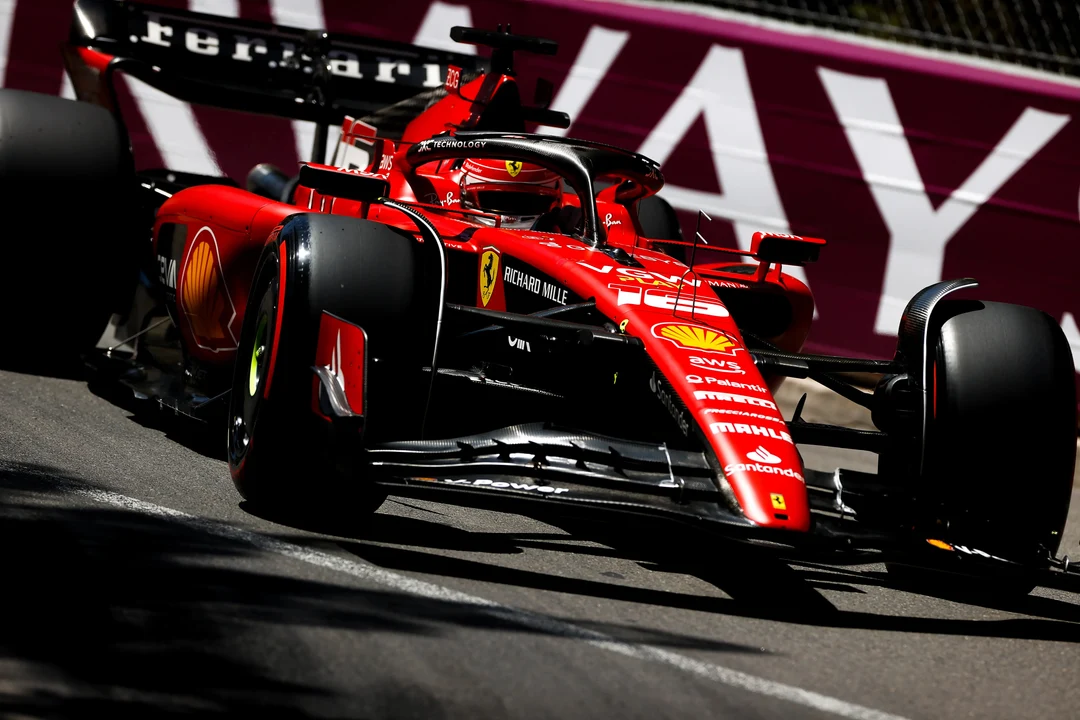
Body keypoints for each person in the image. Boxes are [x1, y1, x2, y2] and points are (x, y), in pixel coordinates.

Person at [458, 158, 563, 229]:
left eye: (527, 203)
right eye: (497, 200)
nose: (509, 219)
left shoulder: (570, 220)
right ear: (465, 193)